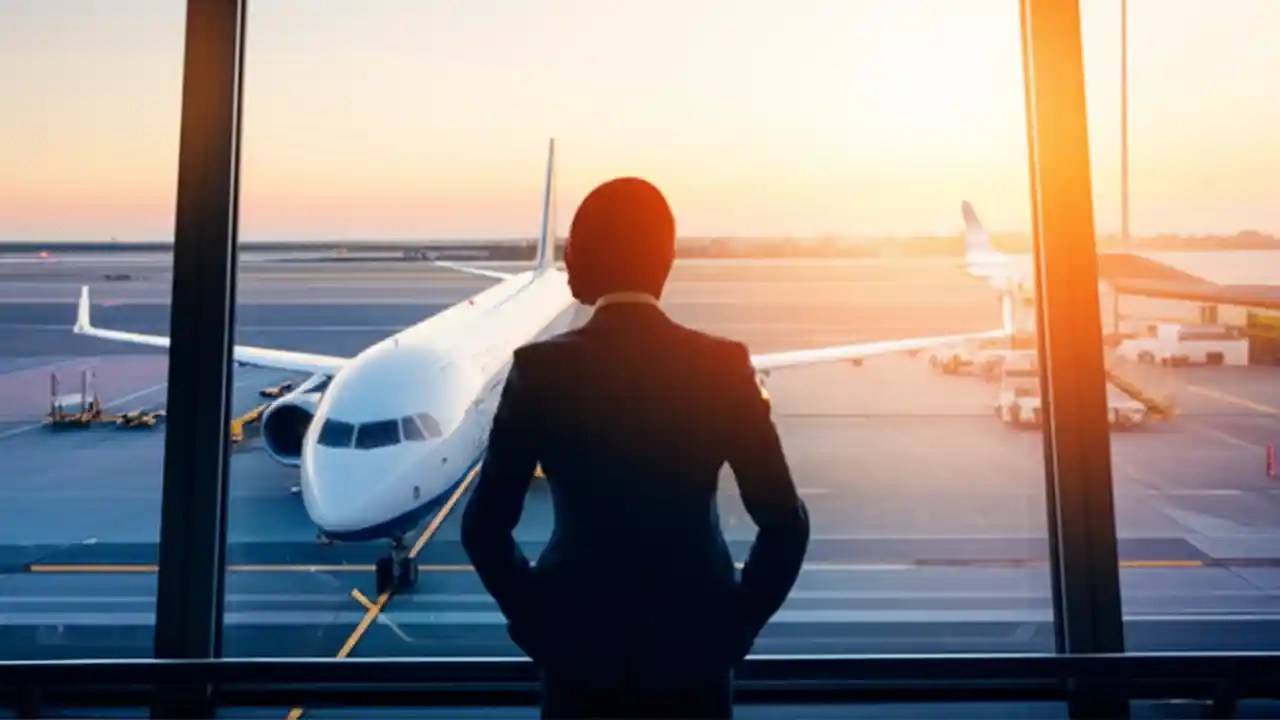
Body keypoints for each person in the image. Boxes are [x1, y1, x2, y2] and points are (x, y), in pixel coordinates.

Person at [461, 177, 809, 719]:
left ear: (590, 255)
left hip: (579, 664)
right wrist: (734, 627)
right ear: (665, 259)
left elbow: (484, 528)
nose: (567, 261)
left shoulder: (540, 371)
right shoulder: (721, 367)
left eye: (572, 246)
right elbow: (786, 523)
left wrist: (539, 622)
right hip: (694, 664)